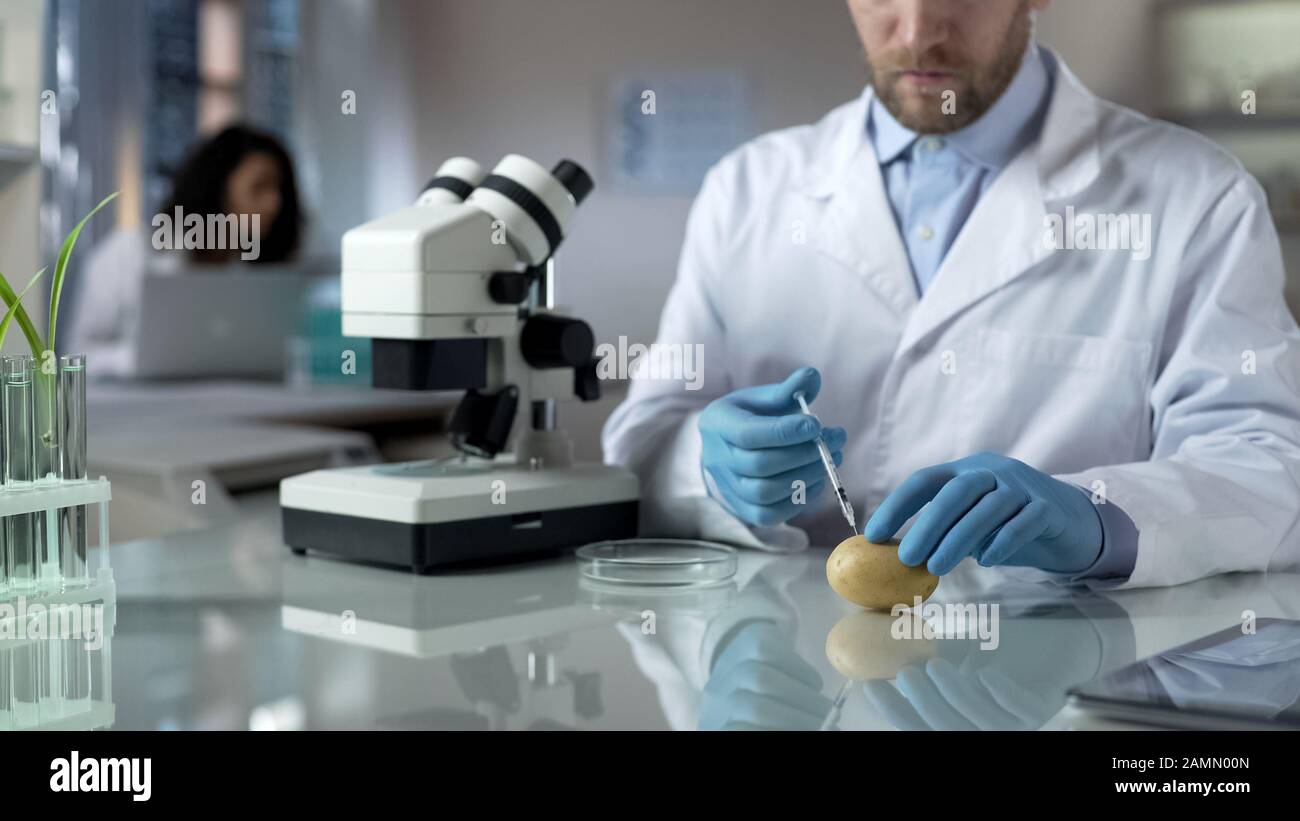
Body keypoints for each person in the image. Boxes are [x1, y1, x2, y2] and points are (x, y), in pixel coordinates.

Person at [602, 0, 1300, 590]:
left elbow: (1267, 469)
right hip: (797, 675)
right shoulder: (745, 190)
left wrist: (1099, 516)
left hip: (1054, 676)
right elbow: (640, 447)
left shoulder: (1195, 196)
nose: (916, 33)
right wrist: (707, 469)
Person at [69, 124, 304, 377]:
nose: (274, 203)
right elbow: (77, 355)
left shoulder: (262, 276)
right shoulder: (129, 252)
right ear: (218, 186)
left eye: (279, 190)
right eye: (259, 187)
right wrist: (145, 358)